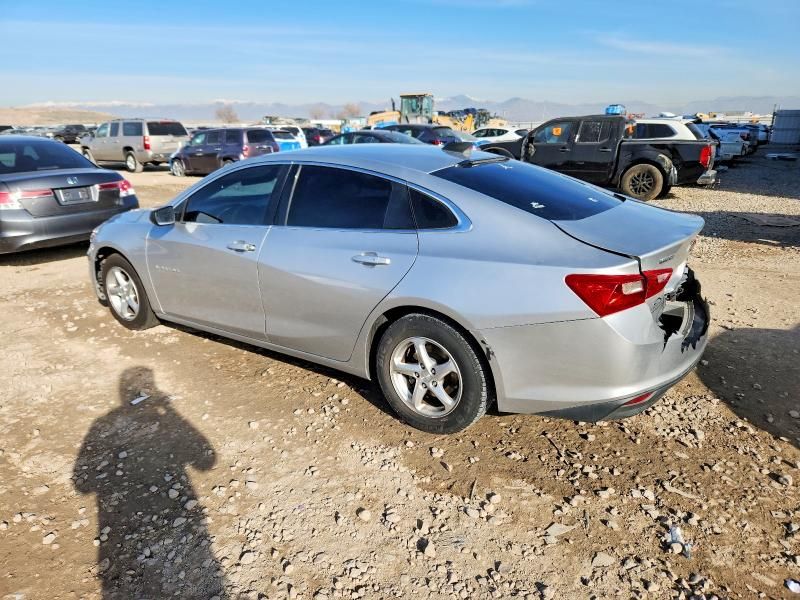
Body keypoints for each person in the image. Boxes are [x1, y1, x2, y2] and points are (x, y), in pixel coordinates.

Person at [74, 367, 225, 599]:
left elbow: (82, 483)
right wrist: (170, 411)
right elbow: (206, 459)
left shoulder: (104, 423)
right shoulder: (115, 422)